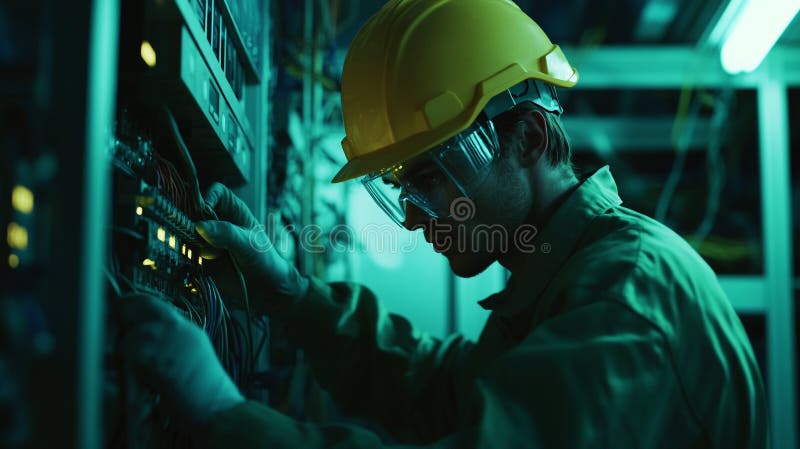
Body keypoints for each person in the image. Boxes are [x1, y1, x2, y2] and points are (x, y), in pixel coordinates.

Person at [119, 0, 769, 447]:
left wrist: (220, 412)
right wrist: (287, 293)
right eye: (399, 186)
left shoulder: (626, 302)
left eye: (430, 177)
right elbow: (445, 392)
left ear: (531, 137)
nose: (413, 214)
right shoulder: (567, 280)